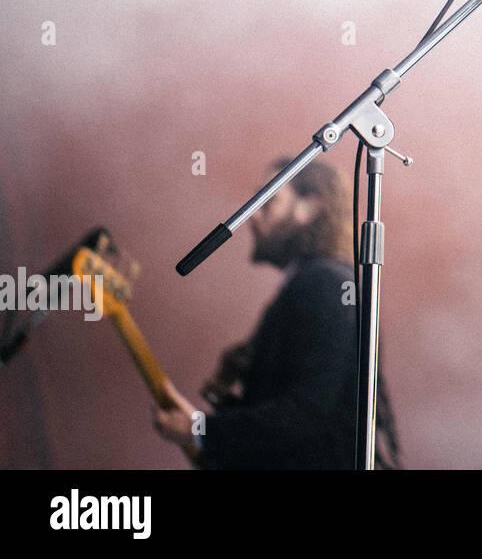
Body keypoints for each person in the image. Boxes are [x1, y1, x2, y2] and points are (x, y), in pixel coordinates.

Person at [153, 157, 400, 469]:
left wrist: (201, 429)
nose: (254, 215)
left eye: (269, 201)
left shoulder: (325, 284)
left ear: (310, 208)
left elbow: (307, 413)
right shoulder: (315, 282)